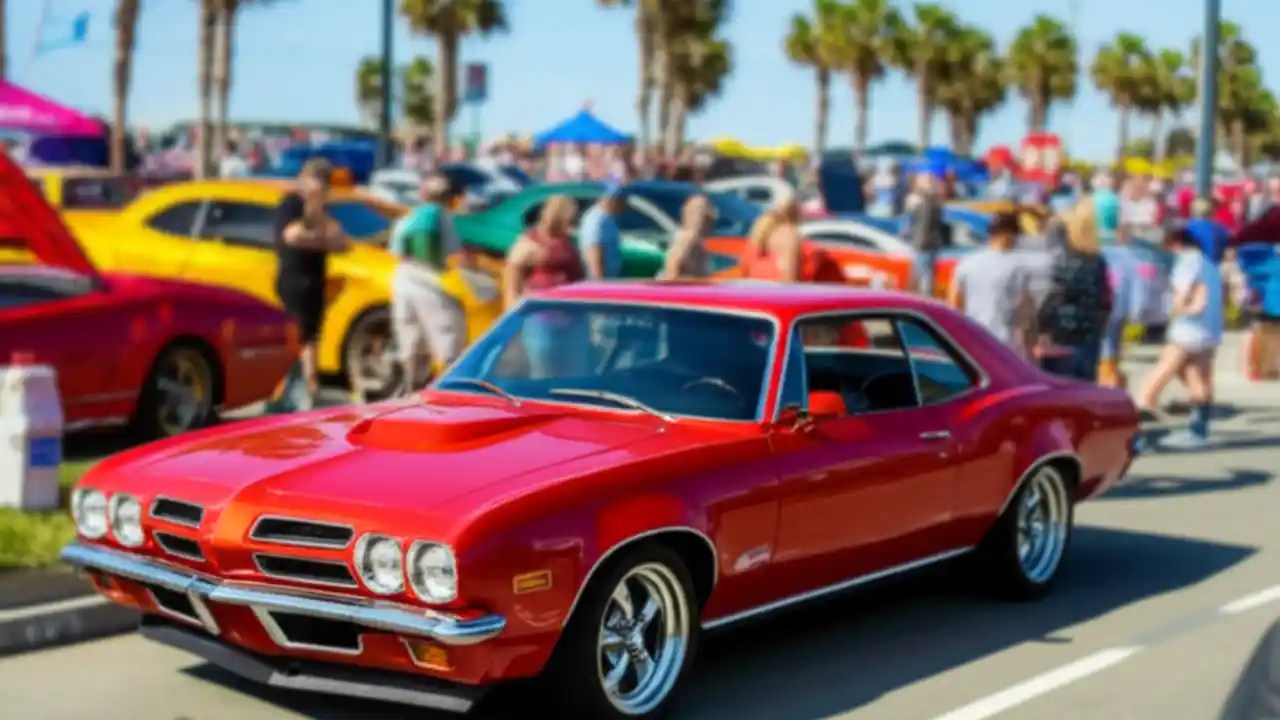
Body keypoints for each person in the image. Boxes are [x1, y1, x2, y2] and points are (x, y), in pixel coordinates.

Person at [1134, 226, 1225, 447]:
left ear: (1175, 244)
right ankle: (1199, 430)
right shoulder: (1209, 263)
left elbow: (1183, 294)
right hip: (1209, 330)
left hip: (1188, 329)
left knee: (1160, 374)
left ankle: (1138, 428)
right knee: (1198, 377)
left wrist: (1177, 307)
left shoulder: (1187, 261)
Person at [270, 158, 350, 409]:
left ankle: (308, 389)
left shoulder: (321, 210)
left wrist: (317, 234)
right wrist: (320, 236)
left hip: (315, 282)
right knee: (299, 337)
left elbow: (342, 243)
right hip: (294, 281)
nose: (322, 190)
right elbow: (292, 236)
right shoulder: (291, 204)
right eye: (318, 183)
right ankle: (296, 390)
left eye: (325, 185)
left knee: (311, 337)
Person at [387, 173, 469, 394]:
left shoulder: (407, 219)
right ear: (448, 198)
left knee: (412, 344)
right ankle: (446, 393)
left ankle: (411, 391)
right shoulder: (444, 218)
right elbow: (456, 256)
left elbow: (397, 253)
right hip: (433, 283)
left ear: (422, 195)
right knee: (448, 342)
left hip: (404, 281)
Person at [503, 195, 586, 378]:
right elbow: (512, 279)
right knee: (545, 373)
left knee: (572, 373)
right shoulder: (530, 243)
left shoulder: (566, 241)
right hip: (542, 319)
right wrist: (513, 314)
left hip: (571, 319)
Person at [1037, 200, 1112, 381]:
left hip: (1058, 339)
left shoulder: (1053, 261)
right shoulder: (1097, 261)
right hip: (1088, 337)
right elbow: (1105, 302)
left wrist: (1042, 329)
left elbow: (1049, 301)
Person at [948, 210, 1035, 358]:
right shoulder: (1019, 267)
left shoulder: (966, 263)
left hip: (974, 342)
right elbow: (1024, 315)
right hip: (1006, 346)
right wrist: (1030, 355)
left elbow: (953, 305)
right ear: (1009, 234)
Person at [907, 173, 945, 297]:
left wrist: (919, 244)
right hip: (929, 245)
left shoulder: (926, 205)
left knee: (921, 277)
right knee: (926, 277)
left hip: (923, 246)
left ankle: (921, 300)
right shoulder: (935, 205)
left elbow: (924, 226)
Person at [658, 194, 712, 280]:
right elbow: (672, 271)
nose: (709, 216)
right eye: (699, 212)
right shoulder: (686, 239)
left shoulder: (698, 243)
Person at [578, 184, 624, 279]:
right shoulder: (596, 221)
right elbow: (593, 251)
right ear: (612, 200)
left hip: (611, 280)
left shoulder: (609, 218)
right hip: (601, 284)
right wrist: (599, 282)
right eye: (622, 200)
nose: (625, 204)